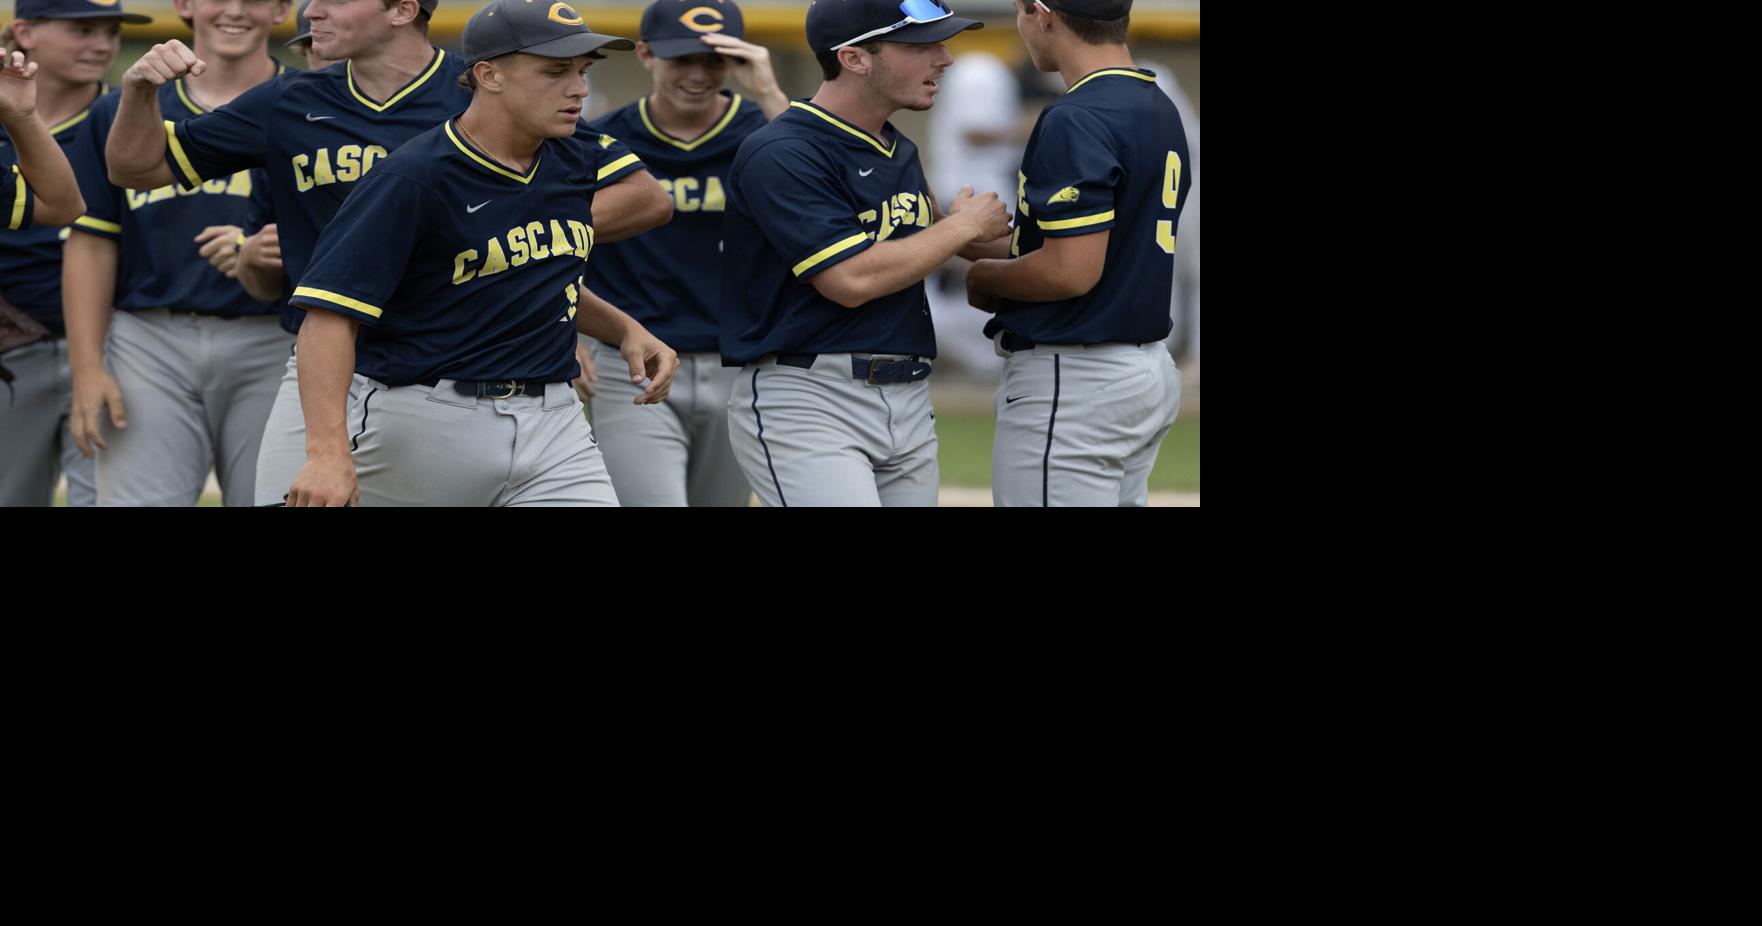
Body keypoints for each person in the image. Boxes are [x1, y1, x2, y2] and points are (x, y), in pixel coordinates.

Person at [103, 0, 667, 504]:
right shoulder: (293, 103)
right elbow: (137, 168)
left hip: (517, 376)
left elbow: (634, 205)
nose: (310, 12)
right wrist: (140, 91)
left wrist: (573, 291)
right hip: (356, 369)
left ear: (402, 9)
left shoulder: (515, 110)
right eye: (559, 70)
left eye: (334, 0)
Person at [283, 0, 677, 507]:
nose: (578, 87)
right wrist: (326, 453)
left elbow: (532, 267)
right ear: (489, 75)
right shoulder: (413, 177)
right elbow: (328, 317)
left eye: (582, 70)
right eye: (555, 71)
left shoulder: (577, 155)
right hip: (427, 420)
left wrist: (625, 329)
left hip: (557, 423)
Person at [718, 0, 1009, 507]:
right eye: (921, 45)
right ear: (854, 58)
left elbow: (924, 237)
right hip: (810, 397)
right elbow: (849, 279)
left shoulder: (895, 144)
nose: (945, 57)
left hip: (908, 395)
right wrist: (962, 228)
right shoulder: (783, 150)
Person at [62, 0, 293, 506]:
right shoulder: (124, 107)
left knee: (273, 499)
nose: (234, 11)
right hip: (149, 342)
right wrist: (86, 369)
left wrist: (262, 256)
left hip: (274, 339)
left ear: (282, 9)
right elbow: (93, 242)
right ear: (184, 5)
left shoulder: (308, 104)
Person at [965, 0, 1190, 507]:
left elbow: (1070, 271)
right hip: (1139, 371)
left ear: (1042, 13)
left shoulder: (1077, 115)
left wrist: (985, 275)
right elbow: (1087, 249)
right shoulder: (1155, 101)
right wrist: (952, 234)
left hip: (1076, 378)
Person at [578, 0, 787, 507]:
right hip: (633, 359)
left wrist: (769, 92)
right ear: (646, 54)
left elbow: (827, 192)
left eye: (714, 60)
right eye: (681, 58)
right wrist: (568, 331)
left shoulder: (770, 133)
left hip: (739, 362)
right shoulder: (600, 138)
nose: (697, 74)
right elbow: (558, 242)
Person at [0, 0, 146, 507]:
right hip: (14, 349)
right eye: (82, 29)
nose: (103, 44)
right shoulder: (6, 115)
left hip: (114, 343)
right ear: (25, 32)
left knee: (108, 498)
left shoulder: (129, 117)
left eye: (110, 31)